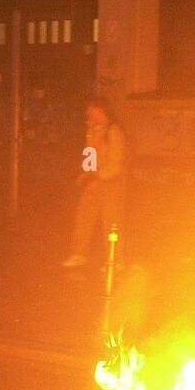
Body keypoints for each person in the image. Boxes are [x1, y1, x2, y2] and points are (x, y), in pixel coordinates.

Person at [63, 99, 128, 268]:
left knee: (111, 224)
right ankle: (78, 254)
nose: (90, 115)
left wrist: (98, 178)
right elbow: (89, 155)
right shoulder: (92, 131)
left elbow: (115, 162)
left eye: (93, 111)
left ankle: (115, 260)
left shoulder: (114, 132)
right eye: (89, 112)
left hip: (110, 184)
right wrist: (85, 174)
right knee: (83, 219)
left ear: (102, 111)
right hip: (93, 183)